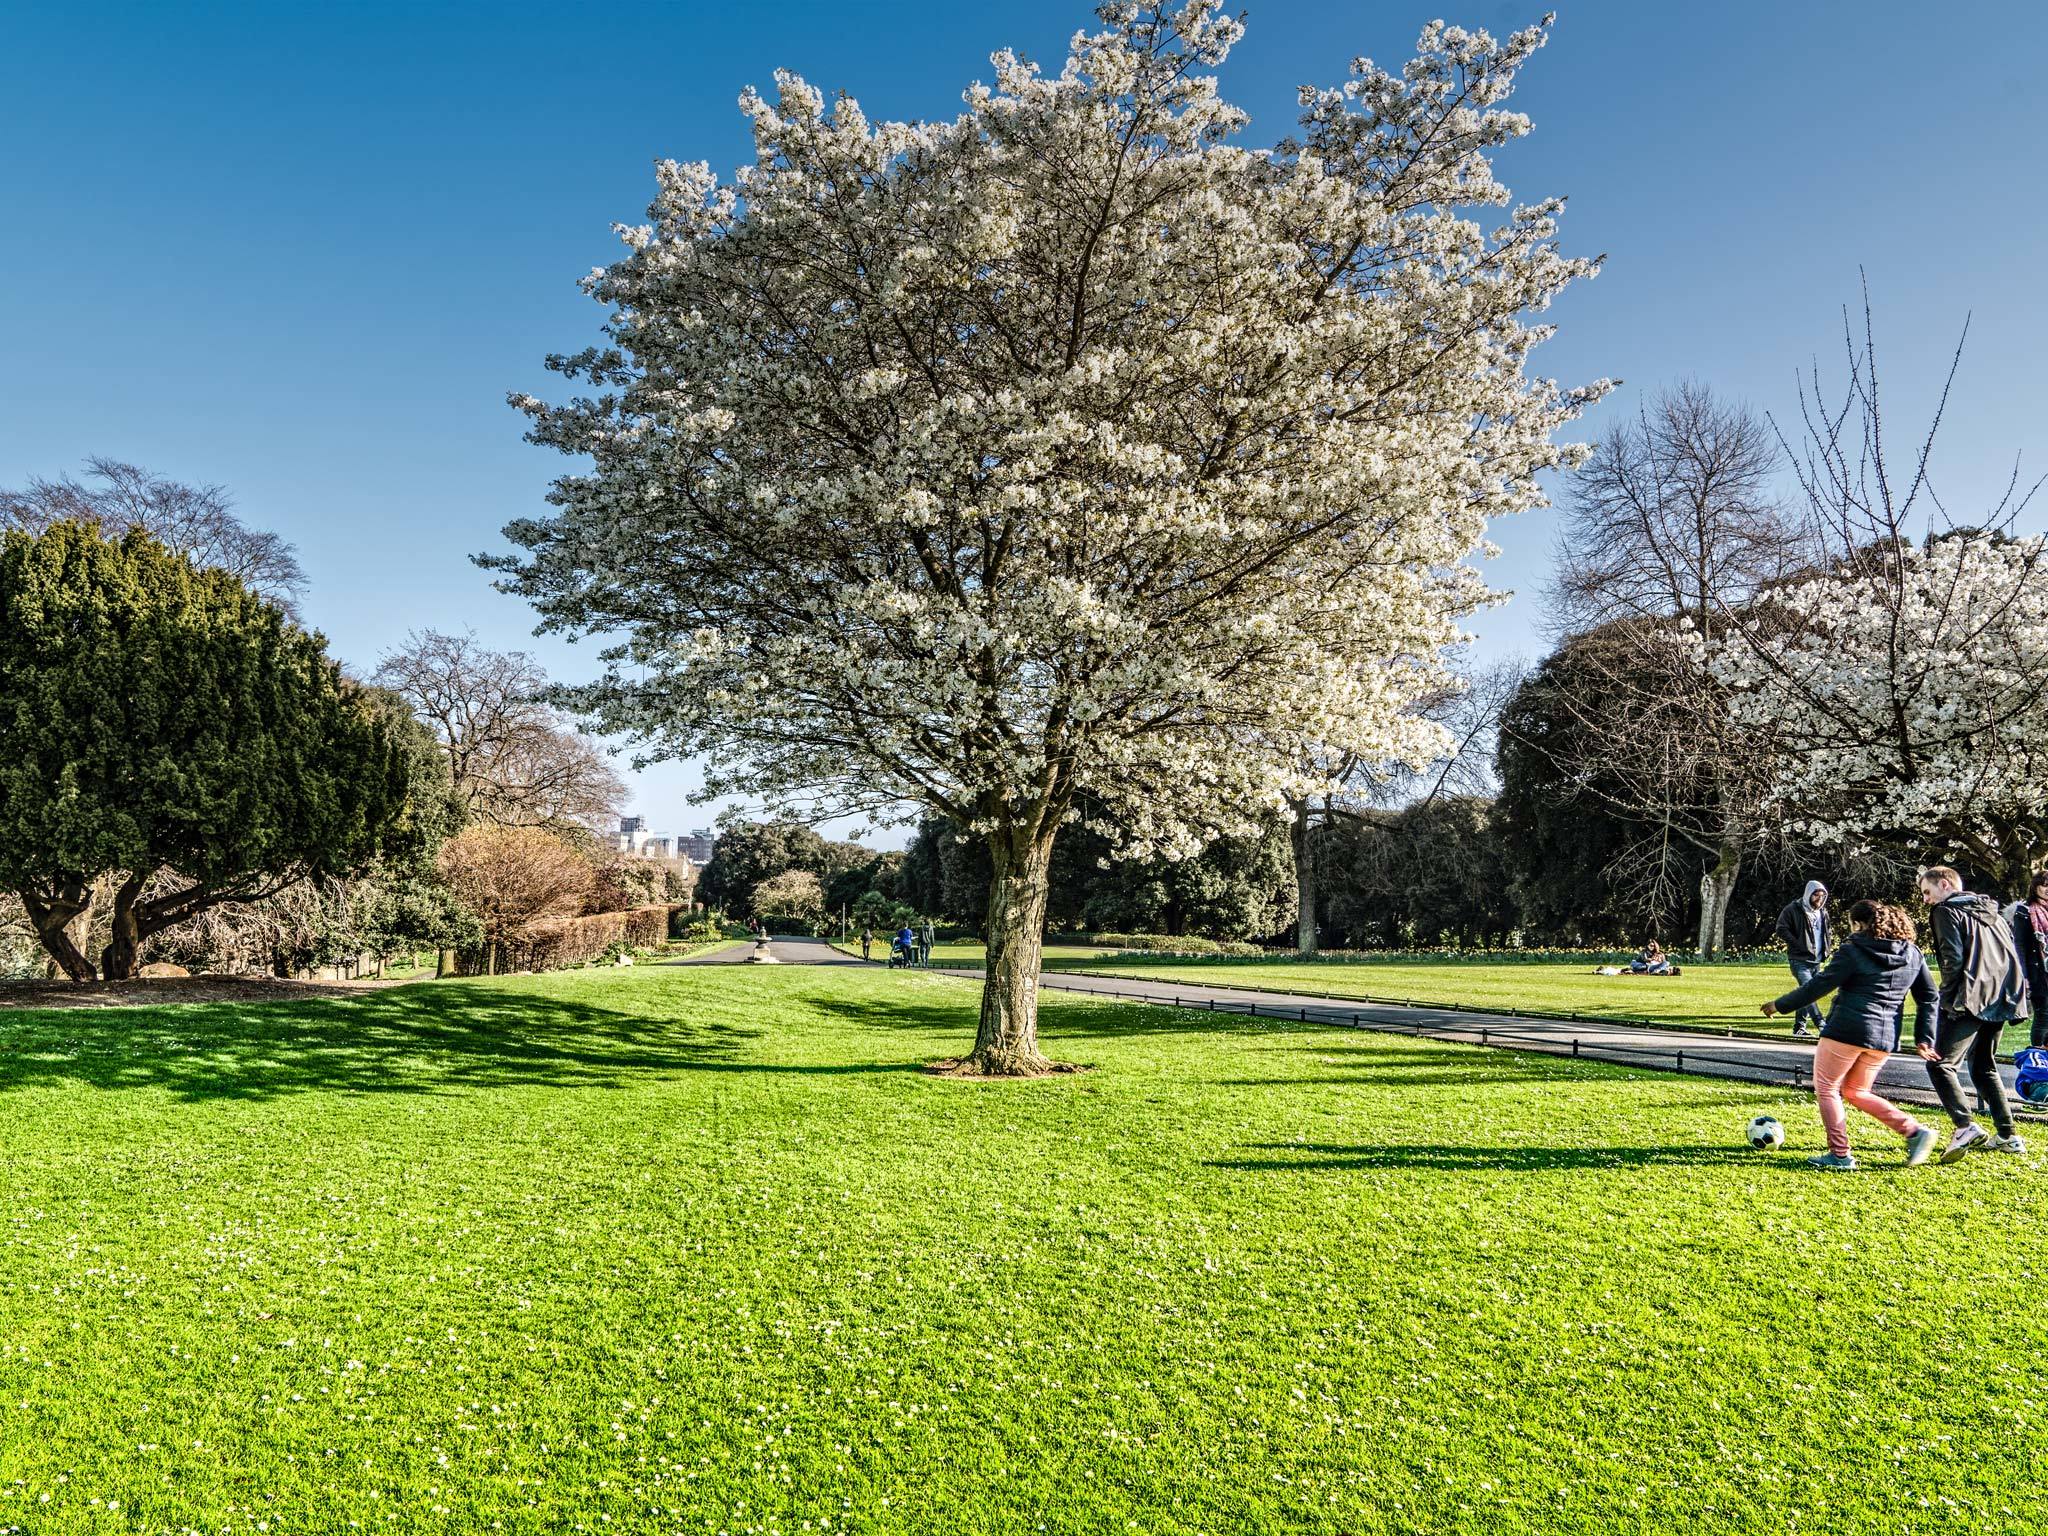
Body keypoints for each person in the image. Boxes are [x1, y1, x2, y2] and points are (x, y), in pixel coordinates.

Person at [1761, 899, 1939, 1172]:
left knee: (1828, 1088)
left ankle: (1840, 1154)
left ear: (1860, 924)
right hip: (1884, 1036)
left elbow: (1818, 985)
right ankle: (1913, 1131)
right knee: (1856, 1091)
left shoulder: (1853, 950)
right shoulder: (1913, 954)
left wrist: (1779, 1005)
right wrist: (1924, 1036)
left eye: (1853, 925)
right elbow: (1928, 997)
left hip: (1846, 1029)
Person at [1917, 865, 2030, 1161]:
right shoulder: (1991, 911)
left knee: (1940, 1064)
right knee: (1983, 1067)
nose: (1926, 900)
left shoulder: (1945, 911)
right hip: (2001, 996)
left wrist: (1946, 1000)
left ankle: (1964, 1126)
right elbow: (2010, 955)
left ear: (1944, 884)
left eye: (1927, 892)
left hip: (1969, 997)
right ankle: (2008, 1135)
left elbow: (1952, 960)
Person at [1774, 881, 1832, 1039]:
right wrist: (1797, 944)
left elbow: (1827, 932)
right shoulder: (1793, 909)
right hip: (1799, 959)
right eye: (1816, 895)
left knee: (1805, 993)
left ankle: (1799, 1027)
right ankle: (1821, 1024)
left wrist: (1827, 948)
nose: (1819, 899)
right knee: (1809, 992)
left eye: (1822, 896)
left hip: (1817, 960)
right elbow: (1781, 928)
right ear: (1808, 894)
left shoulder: (1823, 912)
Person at [2007, 870, 2048, 1050]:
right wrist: (2023, 976)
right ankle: (2038, 1055)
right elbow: (2019, 946)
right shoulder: (2024, 911)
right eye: (2044, 885)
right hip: (2039, 972)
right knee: (2043, 1015)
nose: (2047, 889)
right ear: (2035, 887)